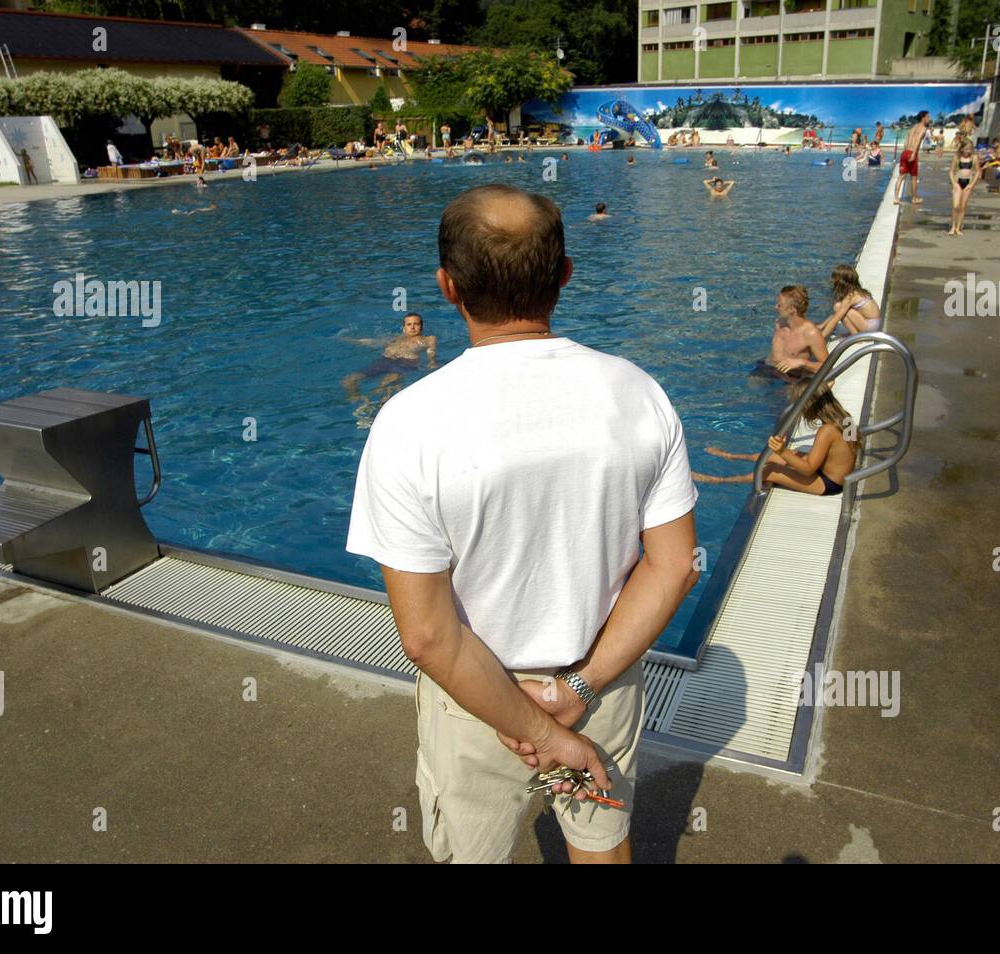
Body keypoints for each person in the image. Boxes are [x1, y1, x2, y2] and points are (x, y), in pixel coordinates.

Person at [346, 183, 699, 865]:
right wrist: (577, 693)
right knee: (601, 847)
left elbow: (427, 636)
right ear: (564, 276)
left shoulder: (408, 424)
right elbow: (675, 564)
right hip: (601, 680)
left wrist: (535, 723)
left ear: (448, 287)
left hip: (477, 705)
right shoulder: (638, 393)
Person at [694, 381, 858, 491]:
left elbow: (808, 470)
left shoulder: (827, 431)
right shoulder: (845, 417)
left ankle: (719, 480)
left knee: (771, 470)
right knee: (774, 456)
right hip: (835, 471)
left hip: (830, 483)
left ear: (808, 406)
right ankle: (732, 456)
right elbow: (851, 447)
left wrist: (783, 451)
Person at [342, 313, 439, 420]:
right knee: (349, 380)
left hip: (405, 363)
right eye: (409, 324)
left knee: (386, 384)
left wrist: (432, 363)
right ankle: (357, 403)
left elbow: (432, 354)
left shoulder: (428, 339)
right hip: (384, 361)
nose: (412, 327)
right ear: (404, 328)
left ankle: (377, 414)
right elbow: (373, 342)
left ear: (421, 326)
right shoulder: (395, 339)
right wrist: (351, 340)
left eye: (416, 324)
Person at [759, 285, 827, 377]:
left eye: (779, 305)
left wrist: (803, 362)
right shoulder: (779, 323)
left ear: (791, 309)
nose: (776, 307)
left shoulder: (811, 333)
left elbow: (827, 367)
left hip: (791, 377)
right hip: (768, 368)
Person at [819, 265, 881, 337]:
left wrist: (821, 337)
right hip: (875, 324)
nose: (832, 281)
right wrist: (822, 325)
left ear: (841, 282)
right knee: (839, 308)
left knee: (837, 307)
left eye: (834, 278)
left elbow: (835, 320)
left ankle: (855, 336)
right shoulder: (857, 292)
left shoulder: (850, 297)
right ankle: (855, 334)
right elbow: (838, 314)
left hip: (869, 326)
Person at [893, 111, 928, 205]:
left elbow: (906, 140)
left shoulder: (913, 128)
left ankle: (896, 198)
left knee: (901, 176)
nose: (929, 119)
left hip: (905, 152)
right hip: (912, 152)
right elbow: (917, 141)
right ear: (923, 118)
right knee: (913, 177)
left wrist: (905, 152)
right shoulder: (923, 129)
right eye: (928, 117)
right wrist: (913, 154)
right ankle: (914, 198)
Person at [948, 139, 981, 236]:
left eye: (970, 149)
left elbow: (978, 171)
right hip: (958, 182)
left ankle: (958, 227)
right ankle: (953, 226)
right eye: (966, 149)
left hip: (968, 183)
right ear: (962, 149)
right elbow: (951, 171)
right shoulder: (957, 157)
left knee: (962, 207)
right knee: (955, 205)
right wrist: (953, 183)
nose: (968, 151)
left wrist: (972, 184)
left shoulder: (974, 158)